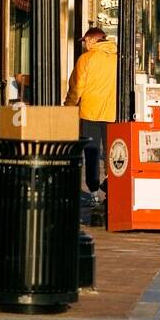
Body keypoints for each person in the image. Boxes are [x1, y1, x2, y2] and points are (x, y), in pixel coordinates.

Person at [64, 27, 117, 206]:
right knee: (113, 153)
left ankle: (93, 192)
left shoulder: (86, 59)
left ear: (93, 40)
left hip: (90, 112)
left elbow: (76, 87)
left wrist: (68, 107)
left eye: (86, 41)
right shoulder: (119, 59)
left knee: (92, 152)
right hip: (113, 113)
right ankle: (112, 189)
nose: (85, 45)